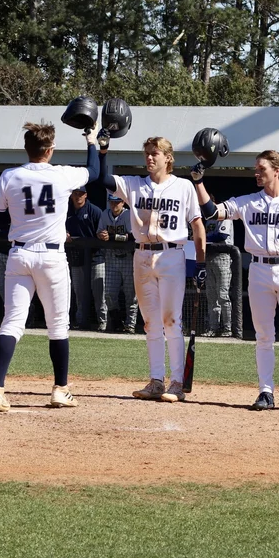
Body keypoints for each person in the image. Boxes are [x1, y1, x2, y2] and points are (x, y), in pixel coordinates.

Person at [192, 150, 279, 414]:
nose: (256, 173)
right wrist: (199, 182)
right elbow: (211, 213)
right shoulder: (248, 202)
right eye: (256, 169)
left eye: (261, 169)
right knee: (264, 336)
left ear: (277, 171)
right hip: (259, 271)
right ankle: (266, 391)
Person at [0, 122, 100, 412]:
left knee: (12, 322)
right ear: (50, 150)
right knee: (58, 325)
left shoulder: (10, 175)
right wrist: (91, 140)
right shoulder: (61, 174)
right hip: (51, 257)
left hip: (19, 254)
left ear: (27, 148)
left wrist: (19, 223)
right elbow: (95, 173)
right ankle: (60, 389)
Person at [97, 135, 206, 403]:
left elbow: (197, 227)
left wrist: (201, 263)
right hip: (142, 255)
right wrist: (102, 149)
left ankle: (177, 382)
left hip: (171, 256)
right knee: (150, 323)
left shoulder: (183, 187)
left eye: (155, 153)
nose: (149, 157)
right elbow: (101, 178)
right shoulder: (135, 185)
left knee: (171, 320)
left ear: (168, 158)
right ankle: (157, 381)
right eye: (147, 152)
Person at [66, 185, 107, 331]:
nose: (78, 196)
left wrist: (102, 234)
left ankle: (103, 323)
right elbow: (59, 227)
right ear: (71, 195)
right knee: (79, 293)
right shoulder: (66, 211)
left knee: (99, 293)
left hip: (96, 257)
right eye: (76, 193)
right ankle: (80, 321)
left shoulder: (94, 211)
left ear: (86, 195)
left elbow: (103, 230)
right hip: (76, 258)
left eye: (81, 194)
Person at [97, 193, 138, 333]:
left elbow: (132, 236)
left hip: (128, 258)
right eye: (112, 202)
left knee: (131, 295)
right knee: (108, 294)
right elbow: (99, 232)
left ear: (123, 203)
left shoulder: (128, 215)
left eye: (117, 202)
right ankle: (117, 321)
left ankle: (130, 325)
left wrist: (113, 237)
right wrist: (101, 235)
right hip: (111, 258)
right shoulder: (104, 214)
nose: (114, 205)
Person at [202, 195, 233, 337]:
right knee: (211, 295)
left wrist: (203, 238)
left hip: (222, 256)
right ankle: (213, 328)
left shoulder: (224, 214)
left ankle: (227, 328)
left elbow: (222, 235)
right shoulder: (208, 220)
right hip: (209, 257)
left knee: (223, 295)